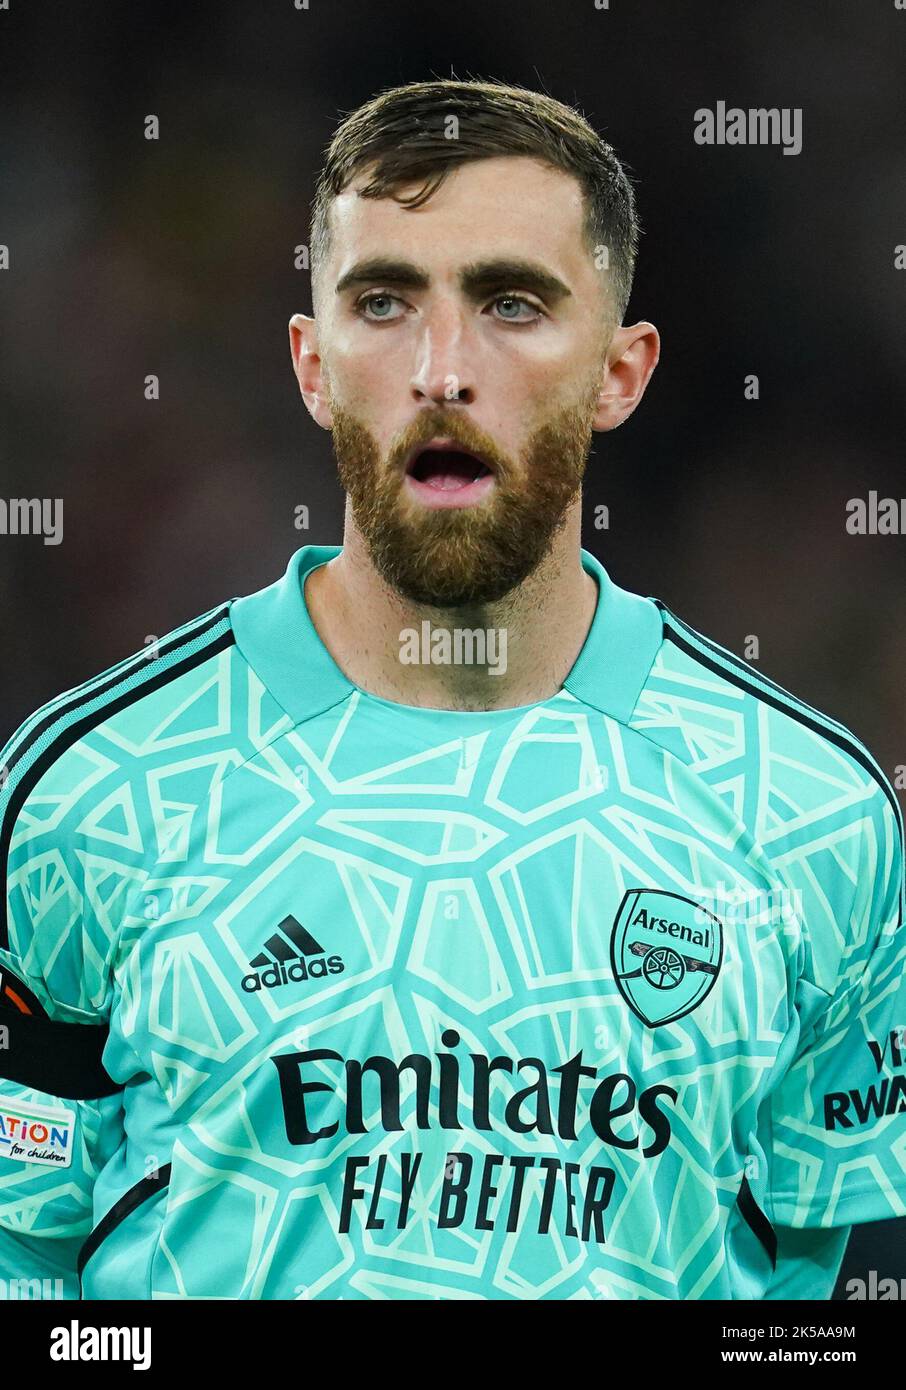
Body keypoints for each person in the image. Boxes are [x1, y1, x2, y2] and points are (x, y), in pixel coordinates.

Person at [0, 77, 903, 1301]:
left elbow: (822, 1291)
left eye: (512, 303)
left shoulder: (814, 810)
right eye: (384, 302)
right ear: (312, 364)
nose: (442, 368)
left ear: (619, 373)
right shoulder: (84, 793)